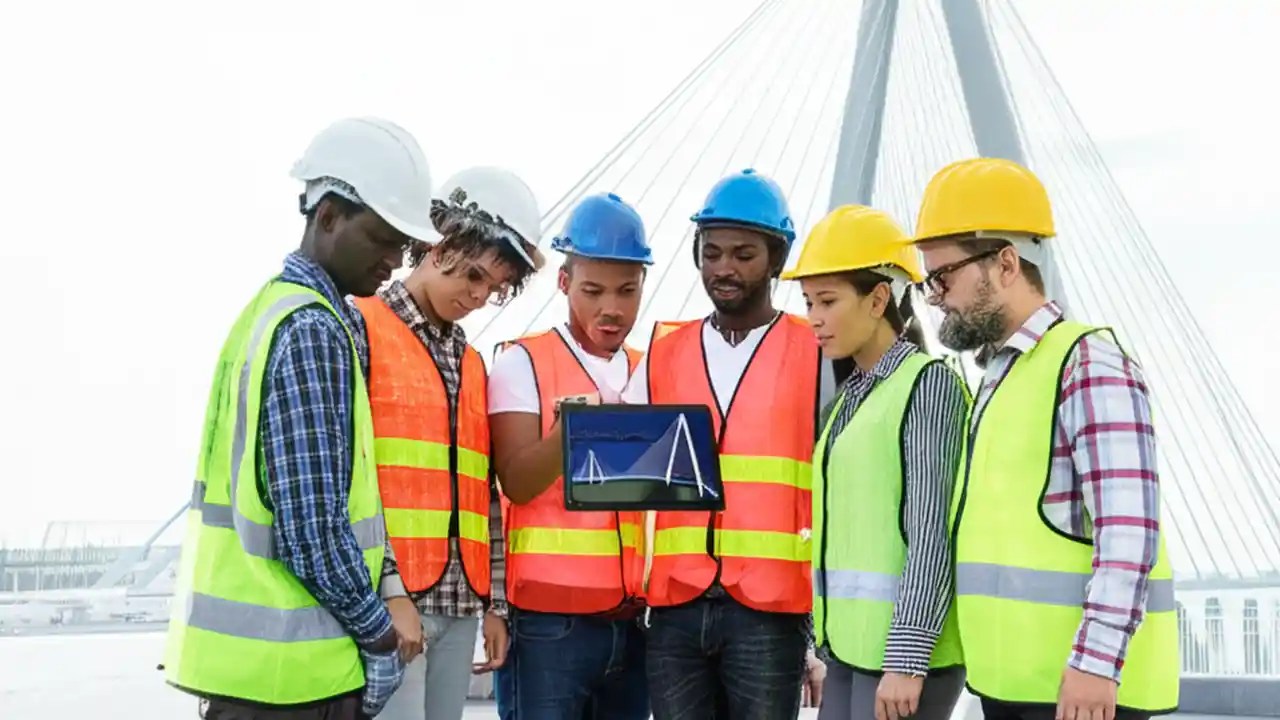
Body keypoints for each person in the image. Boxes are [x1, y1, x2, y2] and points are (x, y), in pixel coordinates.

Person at [162, 116, 437, 719]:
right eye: (385, 237)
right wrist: (379, 635)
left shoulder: (271, 312)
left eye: (405, 245)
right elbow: (311, 529)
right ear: (330, 215)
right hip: (295, 681)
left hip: (255, 676)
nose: (395, 259)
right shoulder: (312, 329)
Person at [909, 157, 1179, 720]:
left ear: (1005, 263)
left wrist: (1096, 662)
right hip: (1013, 684)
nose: (935, 298)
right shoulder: (1001, 377)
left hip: (1079, 691)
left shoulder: (1088, 363)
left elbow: (1128, 529)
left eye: (944, 277)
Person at [621, 168, 822, 719]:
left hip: (771, 608)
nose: (724, 269)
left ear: (777, 260)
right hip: (675, 605)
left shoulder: (816, 351)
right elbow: (626, 477)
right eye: (712, 253)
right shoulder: (663, 353)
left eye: (743, 254)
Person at [355, 166, 545, 720]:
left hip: (460, 605)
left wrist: (495, 605)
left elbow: (482, 493)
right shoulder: (361, 328)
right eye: (474, 276)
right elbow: (351, 483)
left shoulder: (472, 363)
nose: (479, 296)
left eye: (493, 288)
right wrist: (390, 593)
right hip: (390, 604)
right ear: (439, 246)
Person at [780, 204, 969, 720]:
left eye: (827, 300)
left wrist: (907, 661)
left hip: (904, 661)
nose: (813, 316)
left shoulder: (927, 385)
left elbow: (932, 532)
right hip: (849, 652)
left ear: (879, 298)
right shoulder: (850, 398)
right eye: (807, 301)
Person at [487, 192, 654, 720]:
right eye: (593, 290)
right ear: (564, 283)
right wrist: (576, 428)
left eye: (628, 291)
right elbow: (516, 481)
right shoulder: (523, 363)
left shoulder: (649, 368)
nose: (612, 308)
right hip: (549, 626)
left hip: (635, 622)